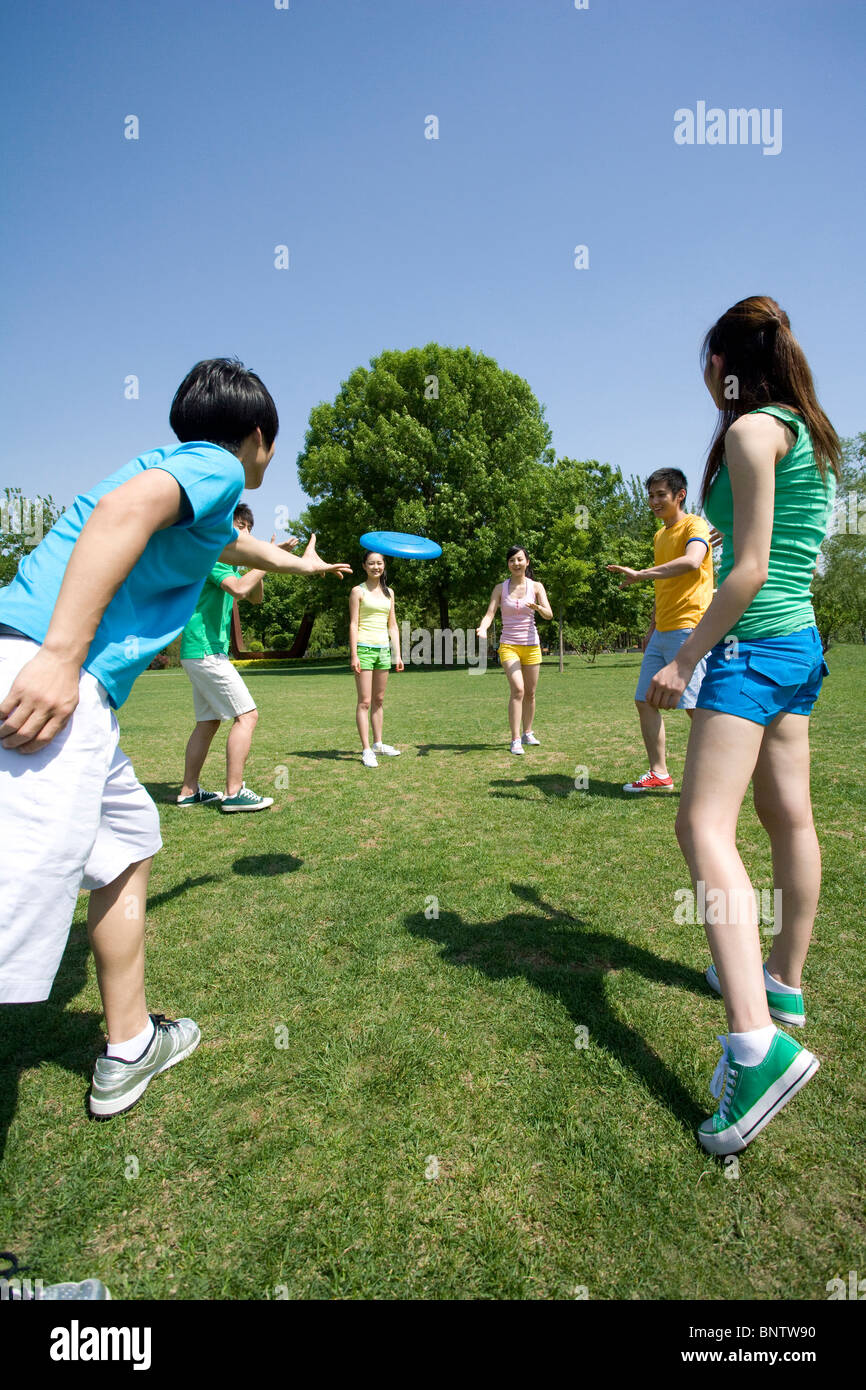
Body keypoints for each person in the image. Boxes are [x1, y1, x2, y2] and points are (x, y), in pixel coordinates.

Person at [0, 358, 350, 1118]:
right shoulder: (216, 468)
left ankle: (130, 1046)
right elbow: (121, 517)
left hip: (44, 669)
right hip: (47, 671)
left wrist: (297, 561)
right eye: (269, 448)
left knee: (128, 834)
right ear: (258, 437)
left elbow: (229, 548)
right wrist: (61, 654)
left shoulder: (191, 483)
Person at [645, 297, 840, 1154]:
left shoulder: (751, 431)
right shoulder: (811, 433)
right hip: (798, 644)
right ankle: (786, 988)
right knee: (786, 817)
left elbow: (749, 569)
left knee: (702, 825)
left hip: (755, 651)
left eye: (706, 360)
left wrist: (685, 660)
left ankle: (756, 1047)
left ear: (725, 362)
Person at [177, 502, 293, 812]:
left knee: (208, 721)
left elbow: (256, 597)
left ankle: (189, 790)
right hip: (206, 651)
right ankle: (234, 792)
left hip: (199, 652)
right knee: (248, 716)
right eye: (240, 528)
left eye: (248, 530)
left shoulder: (231, 566)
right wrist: (268, 560)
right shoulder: (213, 556)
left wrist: (261, 561)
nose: (245, 535)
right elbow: (241, 590)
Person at [607, 469, 714, 793]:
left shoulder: (694, 525)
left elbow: (693, 562)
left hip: (690, 627)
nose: (654, 501)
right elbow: (663, 587)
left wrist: (640, 574)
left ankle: (715, 779)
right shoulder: (659, 536)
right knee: (645, 700)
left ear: (679, 495)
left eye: (661, 495)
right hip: (663, 631)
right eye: (651, 495)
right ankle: (660, 773)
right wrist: (652, 627)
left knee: (698, 707)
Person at [476, 546, 553, 754]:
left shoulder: (536, 587)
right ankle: (515, 739)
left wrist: (537, 608)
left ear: (527, 562)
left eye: (520, 559)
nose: (516, 563)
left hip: (531, 645)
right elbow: (490, 613)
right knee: (518, 689)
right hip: (509, 645)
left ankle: (528, 732)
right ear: (508, 564)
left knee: (531, 692)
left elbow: (549, 614)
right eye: (512, 560)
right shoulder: (500, 588)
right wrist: (483, 628)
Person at [349, 551, 403, 767]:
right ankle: (366, 749)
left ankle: (378, 744)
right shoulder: (357, 591)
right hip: (364, 649)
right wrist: (354, 654)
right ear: (364, 566)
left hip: (383, 651)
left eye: (379, 563)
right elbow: (353, 623)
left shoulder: (389, 593)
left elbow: (393, 625)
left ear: (384, 565)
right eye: (371, 563)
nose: (375, 567)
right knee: (365, 701)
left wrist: (397, 653)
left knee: (379, 700)